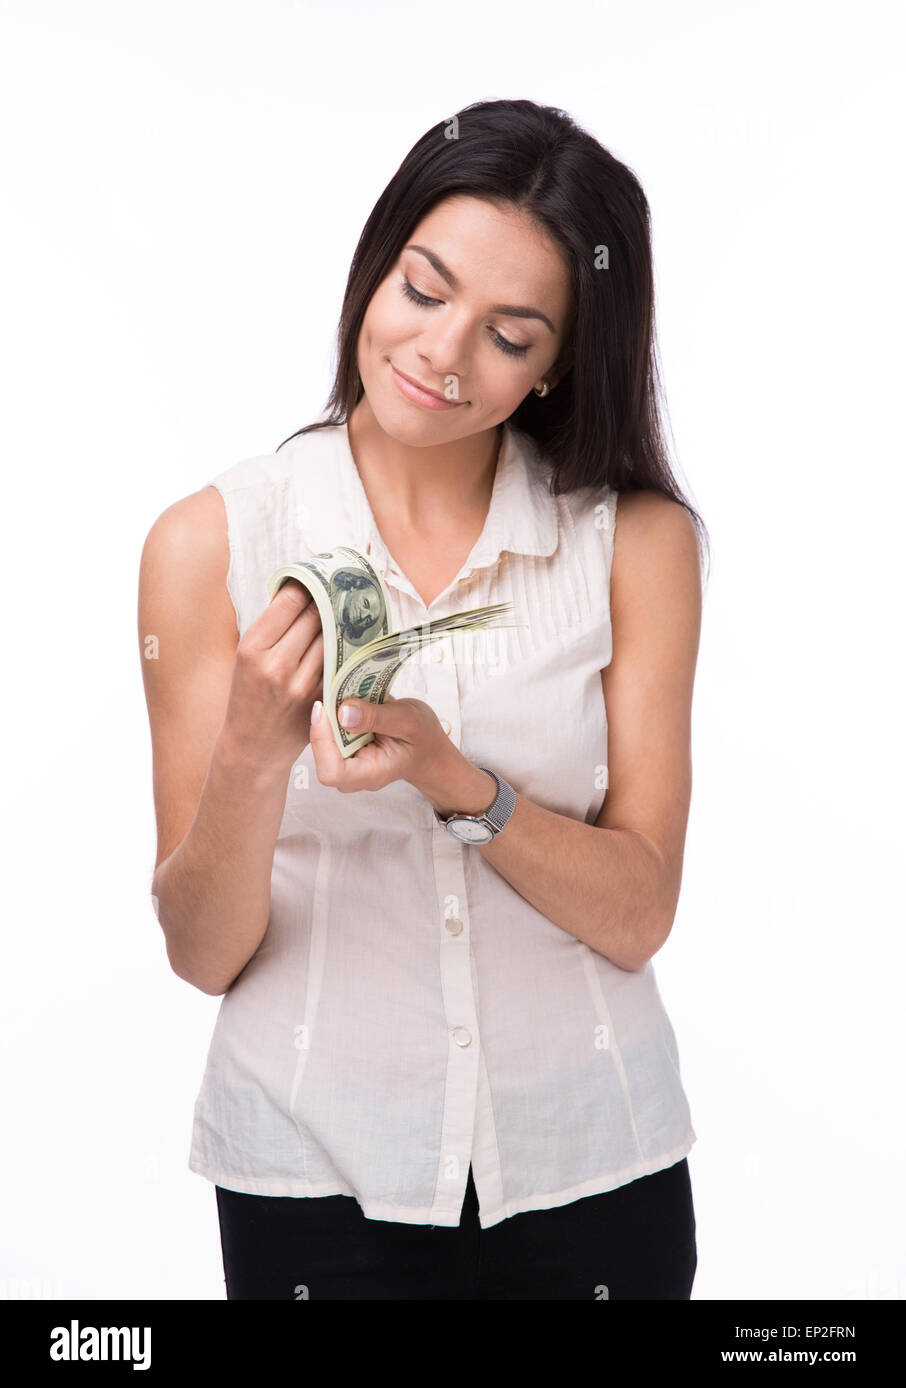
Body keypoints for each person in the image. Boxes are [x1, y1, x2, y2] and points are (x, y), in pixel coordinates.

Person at [138, 97, 709, 1300]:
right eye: (425, 286)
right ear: (375, 268)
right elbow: (202, 952)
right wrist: (251, 750)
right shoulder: (210, 546)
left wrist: (461, 783)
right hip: (312, 1184)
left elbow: (640, 910)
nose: (442, 354)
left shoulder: (635, 544)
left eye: (511, 334)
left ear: (561, 364)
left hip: (592, 1171)